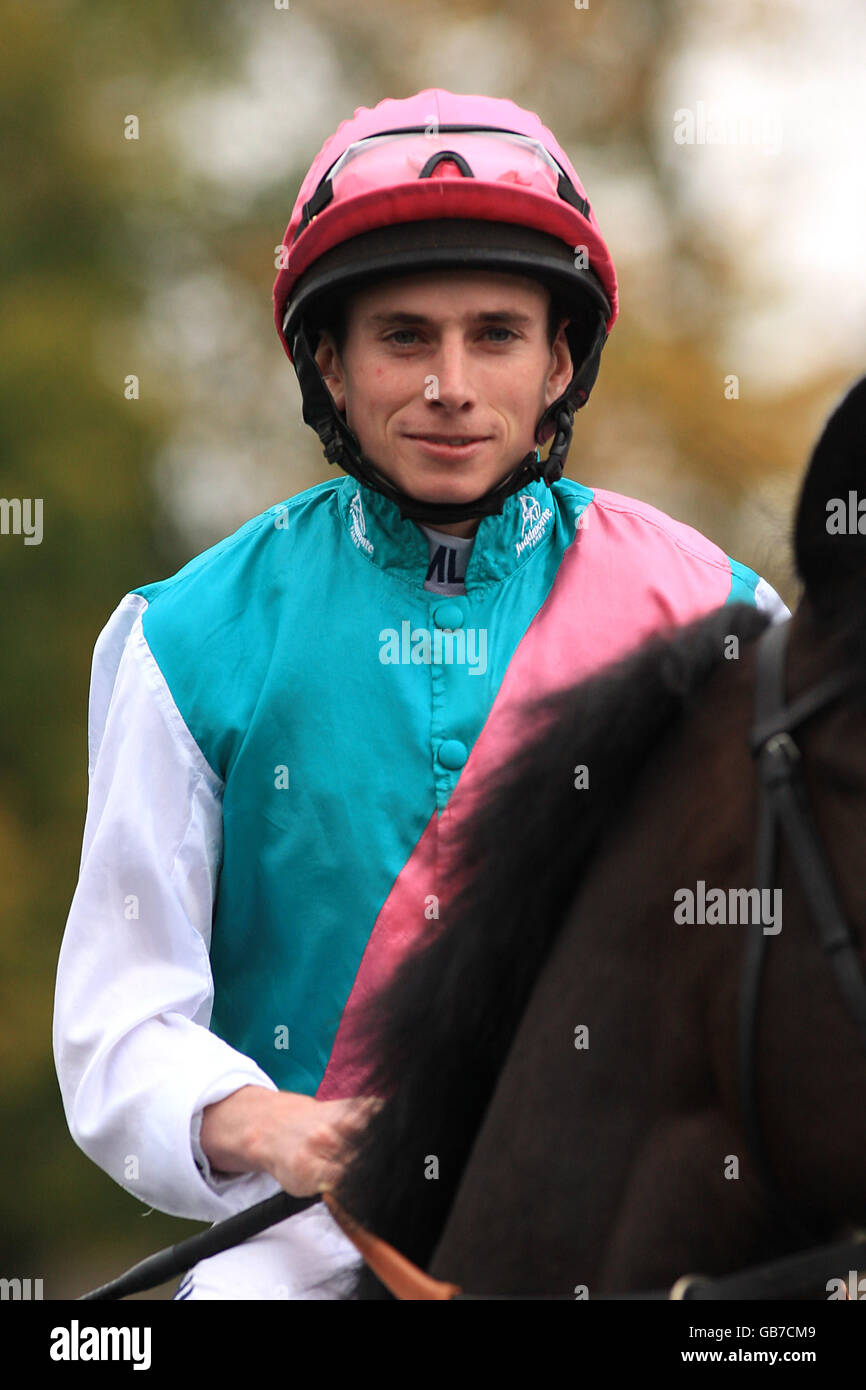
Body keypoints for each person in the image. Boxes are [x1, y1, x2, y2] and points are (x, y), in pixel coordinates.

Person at [53, 88, 790, 1301]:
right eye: (403, 336)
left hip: (629, 1252)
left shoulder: (716, 621)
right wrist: (258, 1119)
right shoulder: (183, 640)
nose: (450, 384)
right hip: (293, 1254)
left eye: (494, 334)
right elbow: (116, 1022)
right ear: (328, 363)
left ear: (560, 360)